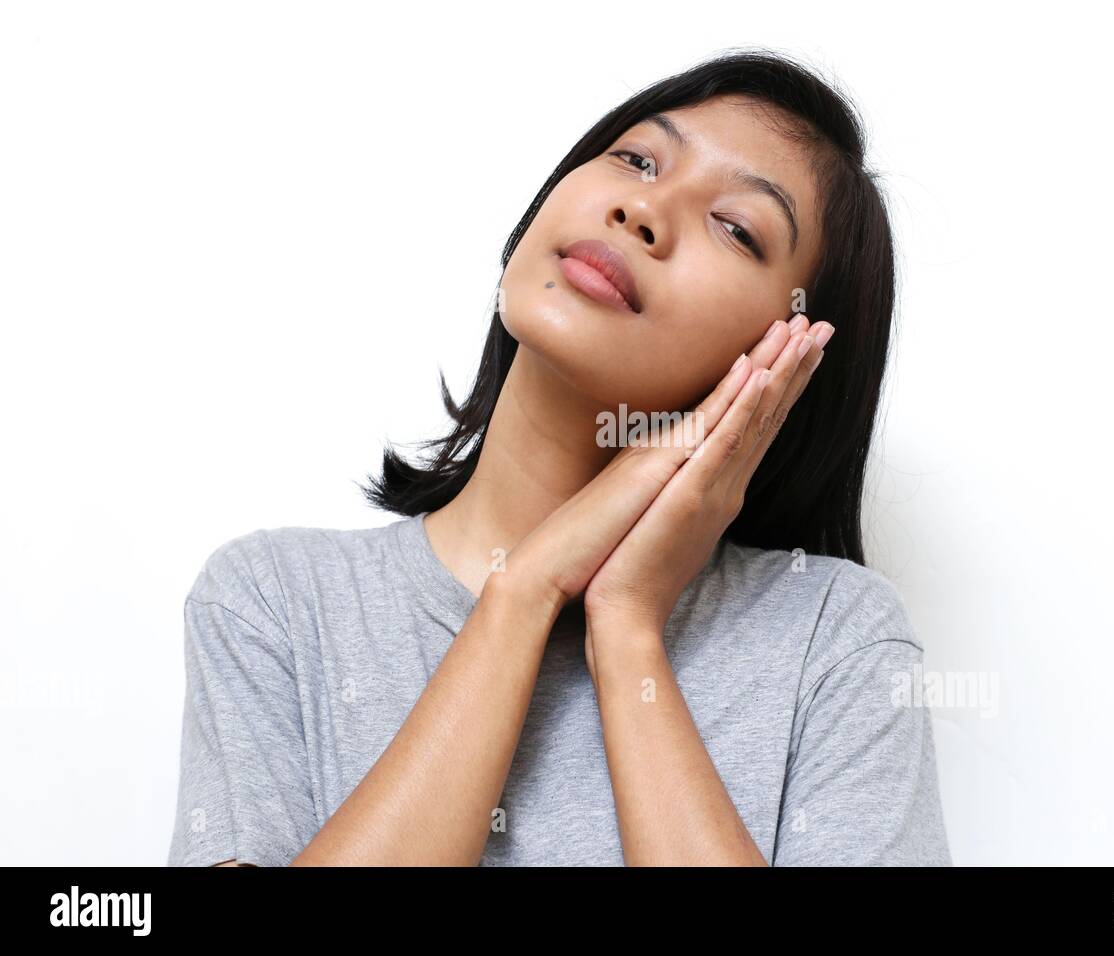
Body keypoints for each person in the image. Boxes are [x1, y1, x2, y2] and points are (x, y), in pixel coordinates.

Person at [166, 48, 952, 866]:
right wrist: (526, 590)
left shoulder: (834, 642)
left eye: (736, 228)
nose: (643, 208)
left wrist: (628, 625)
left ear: (789, 360)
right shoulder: (275, 603)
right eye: (637, 159)